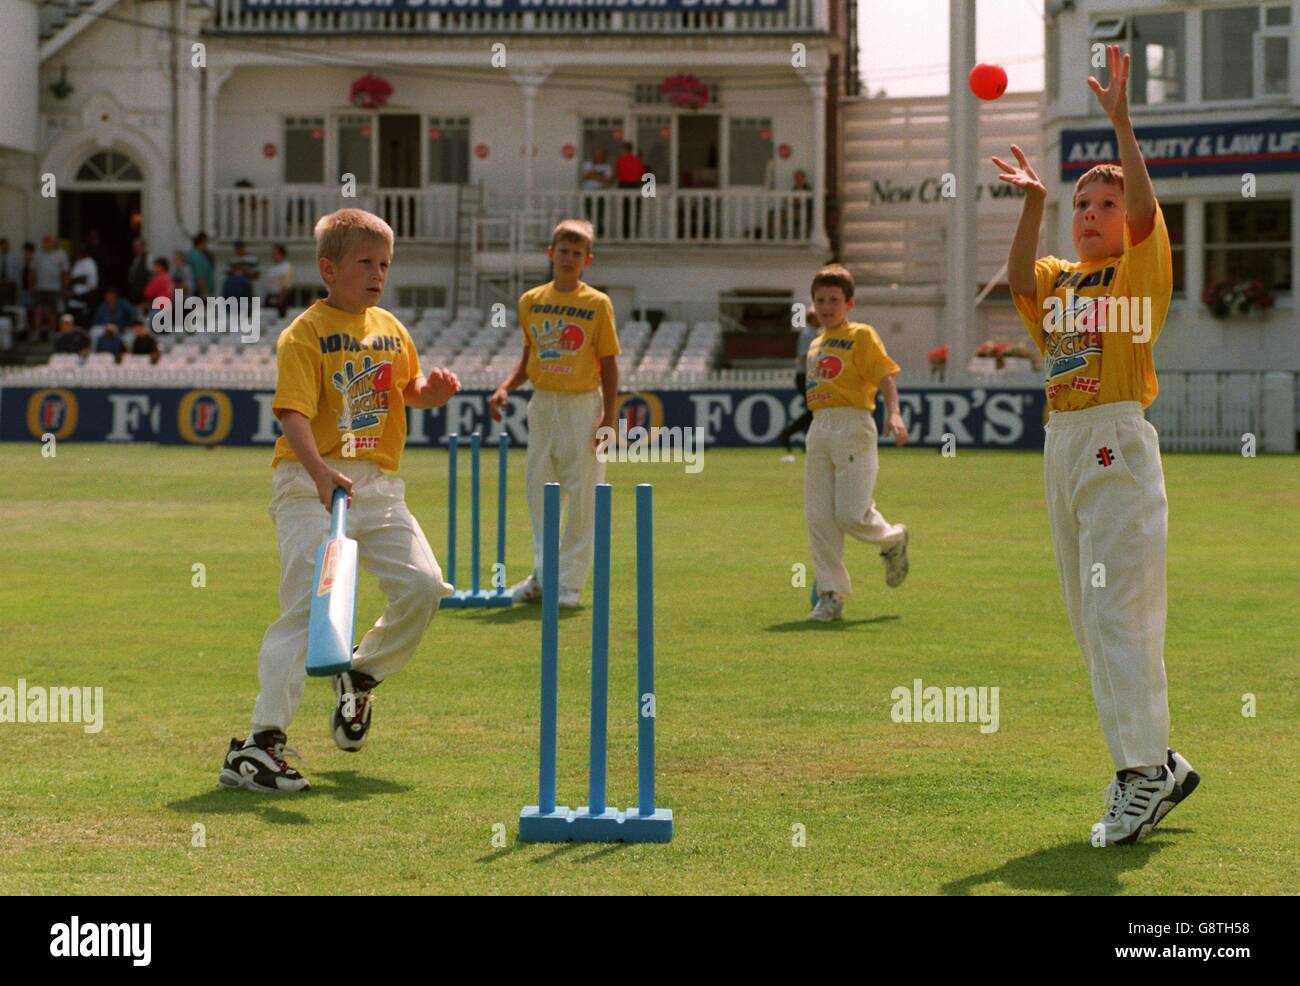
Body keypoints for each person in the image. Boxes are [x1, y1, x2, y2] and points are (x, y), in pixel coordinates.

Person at [996, 44, 1196, 847]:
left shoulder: (1138, 273)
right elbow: (1017, 280)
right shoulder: (1063, 280)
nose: (1091, 212)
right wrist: (1033, 205)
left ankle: (1142, 775)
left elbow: (1146, 215)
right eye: (1083, 201)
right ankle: (1160, 765)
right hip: (1065, 443)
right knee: (1092, 618)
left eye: (1103, 203)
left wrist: (1122, 128)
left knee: (1119, 613)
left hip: (1115, 436)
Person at [217, 207, 461, 793]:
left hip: (375, 485)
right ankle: (258, 745)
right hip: (310, 485)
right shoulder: (303, 334)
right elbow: (292, 414)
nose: (378, 275)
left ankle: (361, 675)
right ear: (328, 268)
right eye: (365, 264)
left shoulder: (390, 328)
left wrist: (432, 392)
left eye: (385, 264)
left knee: (425, 586)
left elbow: (407, 390)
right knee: (305, 610)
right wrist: (321, 472)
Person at [488, 218, 620, 608]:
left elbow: (609, 364)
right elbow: (529, 357)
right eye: (563, 251)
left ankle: (570, 584)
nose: (569, 258)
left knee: (583, 495)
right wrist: (504, 387)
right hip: (543, 404)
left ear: (587, 260)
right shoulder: (532, 300)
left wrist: (608, 419)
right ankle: (544, 576)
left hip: (583, 404)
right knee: (540, 492)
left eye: (577, 253)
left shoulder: (597, 304)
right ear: (551, 254)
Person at [802, 263, 909, 623]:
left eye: (834, 299)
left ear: (850, 303)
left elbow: (885, 377)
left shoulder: (861, 334)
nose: (826, 306)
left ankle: (892, 539)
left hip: (852, 424)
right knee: (819, 518)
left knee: (849, 514)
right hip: (820, 427)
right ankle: (830, 595)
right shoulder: (816, 343)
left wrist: (893, 414)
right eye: (820, 300)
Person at [777, 310, 820, 461]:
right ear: (812, 319)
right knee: (814, 409)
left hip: (807, 376)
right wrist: (812, 378)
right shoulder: (807, 334)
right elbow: (804, 357)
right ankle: (788, 433)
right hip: (805, 376)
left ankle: (801, 438)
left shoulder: (813, 333)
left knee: (814, 410)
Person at [31, 234, 70, 343]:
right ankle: (36, 333)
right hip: (39, 287)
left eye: (50, 241)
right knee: (38, 310)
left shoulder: (61, 255)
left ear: (54, 242)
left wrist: (65, 287)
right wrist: (31, 286)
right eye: (46, 241)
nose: (47, 243)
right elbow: (32, 272)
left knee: (53, 311)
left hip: (55, 288)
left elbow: (65, 272)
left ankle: (52, 333)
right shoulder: (38, 254)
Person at [614, 142, 646, 235]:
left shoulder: (620, 161)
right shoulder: (638, 161)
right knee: (635, 211)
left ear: (624, 150)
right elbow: (642, 177)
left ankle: (625, 233)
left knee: (625, 211)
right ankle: (633, 233)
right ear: (632, 149)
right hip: (635, 186)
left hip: (624, 185)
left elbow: (618, 175)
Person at [580, 147, 613, 237]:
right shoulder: (587, 164)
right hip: (588, 192)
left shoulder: (607, 166)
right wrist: (600, 177)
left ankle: (599, 233)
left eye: (600, 154)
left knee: (600, 214)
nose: (598, 156)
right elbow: (586, 176)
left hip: (600, 193)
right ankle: (587, 232)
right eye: (597, 154)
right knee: (588, 213)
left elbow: (608, 180)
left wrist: (593, 175)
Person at [68, 243, 100, 328]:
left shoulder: (90, 262)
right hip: (75, 296)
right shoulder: (78, 261)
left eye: (80, 250)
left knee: (83, 320)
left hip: (86, 296)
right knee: (73, 318)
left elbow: (89, 280)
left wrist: (74, 280)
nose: (78, 252)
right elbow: (72, 278)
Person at [265, 243, 294, 317]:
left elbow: (286, 286)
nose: (273, 255)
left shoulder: (286, 267)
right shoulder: (273, 267)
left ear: (281, 254)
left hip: (280, 297)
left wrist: (280, 299)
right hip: (270, 296)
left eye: (275, 253)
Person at [187, 232, 215, 297]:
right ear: (202, 242)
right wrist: (206, 291)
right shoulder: (197, 256)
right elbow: (199, 276)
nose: (206, 245)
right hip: (200, 290)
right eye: (206, 242)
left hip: (200, 289)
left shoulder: (197, 254)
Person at [126, 238, 151, 304]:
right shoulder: (135, 259)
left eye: (138, 246)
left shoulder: (148, 258)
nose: (136, 248)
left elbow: (152, 276)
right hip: (134, 291)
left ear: (143, 246)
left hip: (144, 292)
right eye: (134, 247)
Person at [0, 238, 20, 308]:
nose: (5, 247)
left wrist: (15, 282)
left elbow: (17, 271)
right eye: (3, 246)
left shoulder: (14, 257)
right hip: (1, 283)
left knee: (11, 302)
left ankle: (11, 317)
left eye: (6, 245)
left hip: (11, 283)